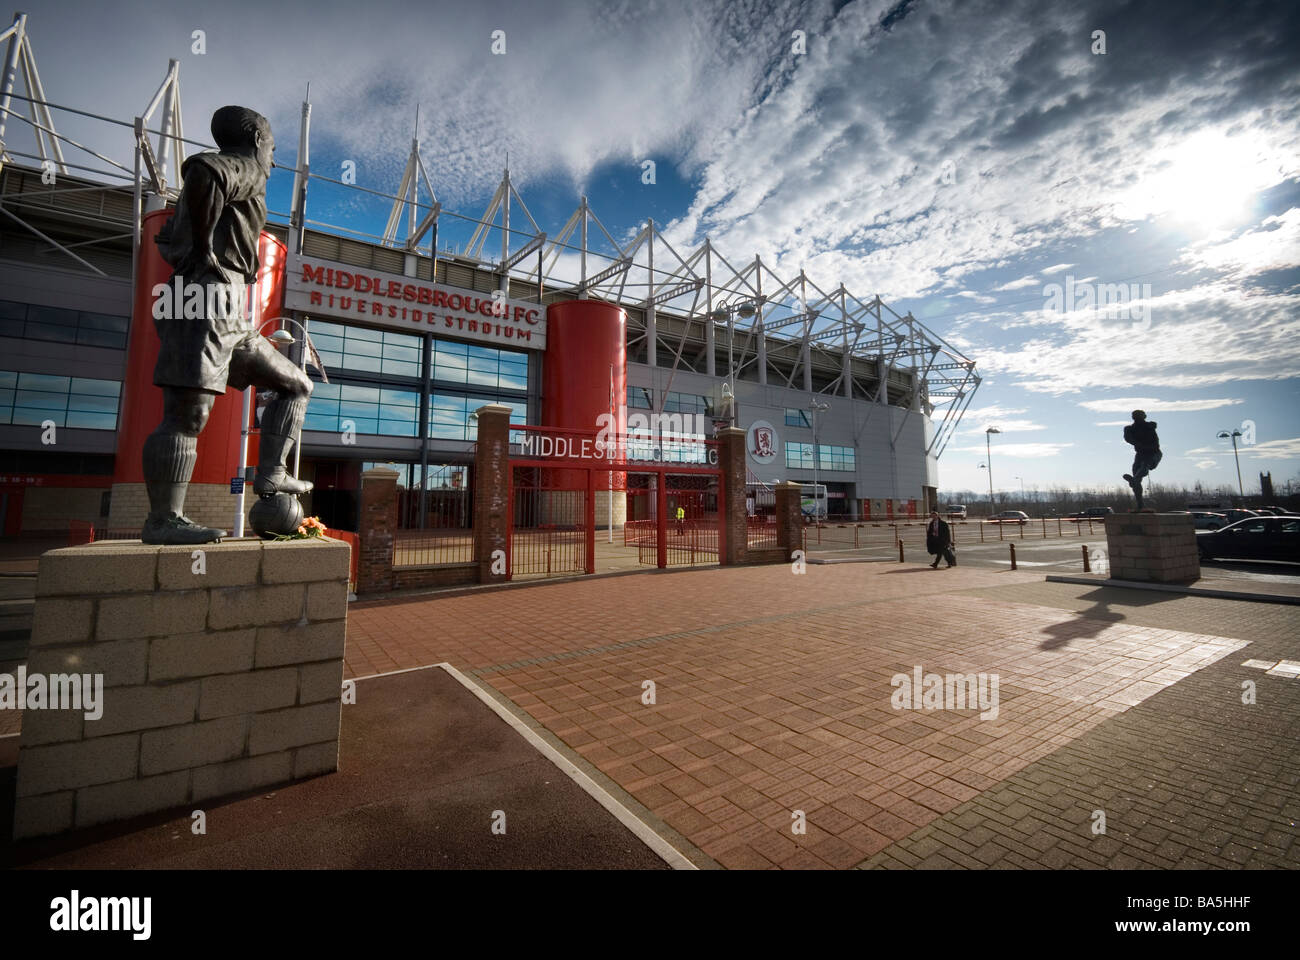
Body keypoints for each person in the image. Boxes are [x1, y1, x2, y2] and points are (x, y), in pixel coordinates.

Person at [143, 106, 313, 544]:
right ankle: (163, 519)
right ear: (257, 140)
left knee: (296, 383)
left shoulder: (246, 177)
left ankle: (273, 473)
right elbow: (204, 173)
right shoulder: (248, 168)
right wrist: (203, 248)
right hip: (204, 299)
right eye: (273, 148)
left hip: (226, 310)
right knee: (188, 413)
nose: (274, 160)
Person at [1122, 409, 1162, 510]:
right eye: (1135, 415)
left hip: (1153, 453)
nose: (1136, 417)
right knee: (1137, 478)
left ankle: (1134, 480)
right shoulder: (1130, 429)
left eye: (1139, 415)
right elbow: (1128, 438)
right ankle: (1140, 504)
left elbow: (1155, 441)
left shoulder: (1149, 426)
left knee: (1144, 468)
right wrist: (1137, 443)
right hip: (1140, 454)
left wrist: (1141, 444)